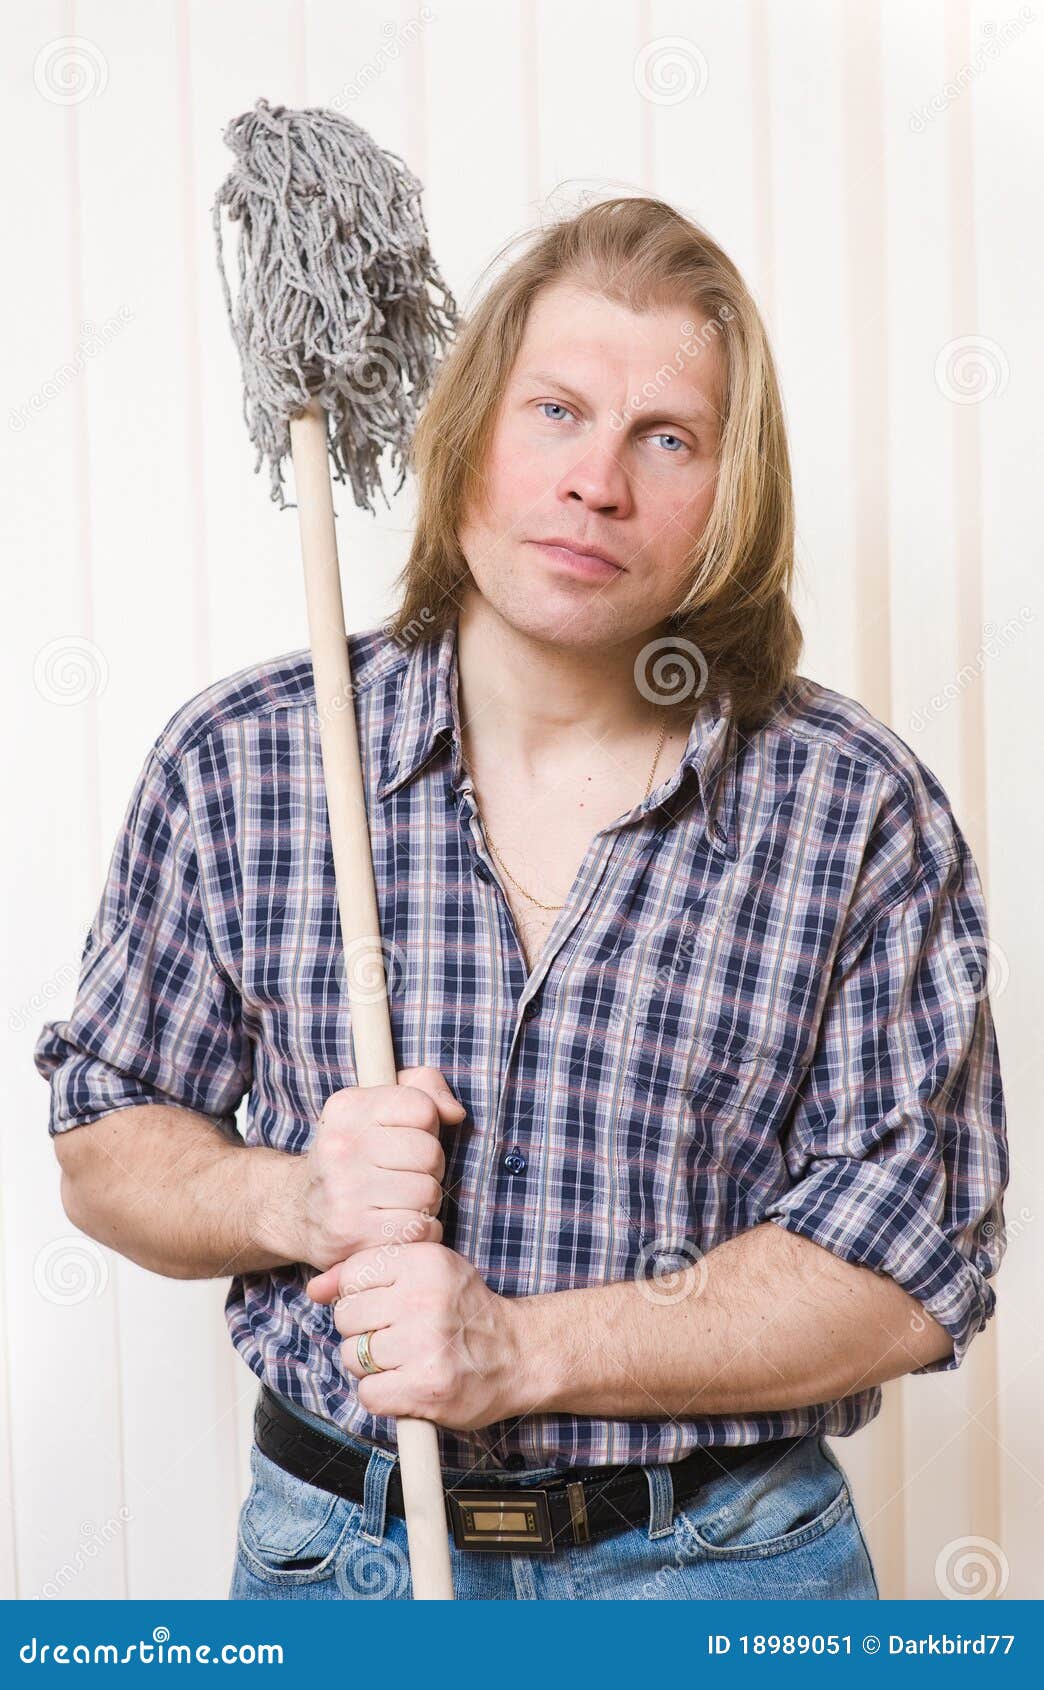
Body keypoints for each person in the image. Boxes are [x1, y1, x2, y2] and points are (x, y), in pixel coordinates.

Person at [35, 197, 1008, 1602]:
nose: (595, 482)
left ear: (732, 493)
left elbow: (912, 1265)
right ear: (471, 429)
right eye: (555, 410)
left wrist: (524, 1347)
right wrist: (298, 1194)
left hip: (723, 1568)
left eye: (665, 438)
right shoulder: (247, 758)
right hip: (338, 1553)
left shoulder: (853, 808)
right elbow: (104, 1136)